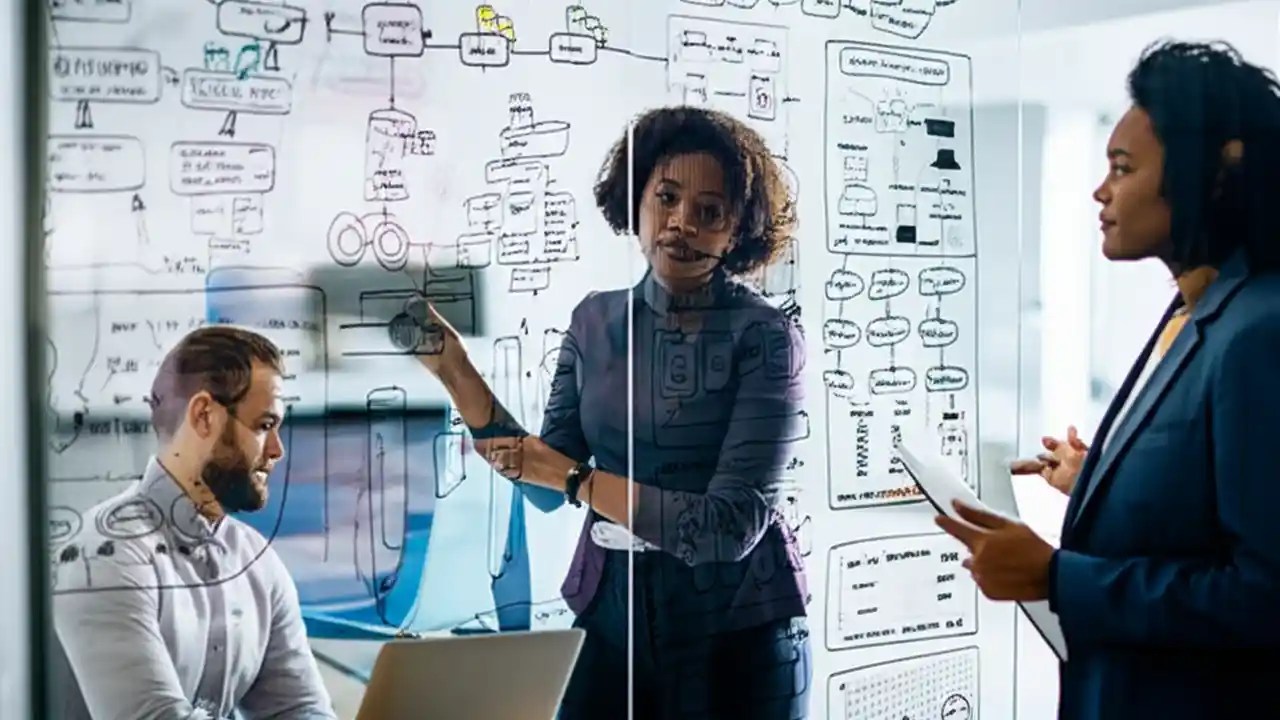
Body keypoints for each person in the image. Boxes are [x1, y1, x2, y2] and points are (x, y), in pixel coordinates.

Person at [415, 105, 812, 719]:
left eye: (709, 213)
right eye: (668, 198)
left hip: (736, 631)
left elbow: (726, 527)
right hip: (612, 613)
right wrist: (456, 373)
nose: (681, 224)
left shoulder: (766, 336)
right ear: (638, 201)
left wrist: (576, 480)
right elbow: (544, 484)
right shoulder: (596, 320)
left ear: (735, 233)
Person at [935, 39, 1280, 719]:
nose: (1101, 190)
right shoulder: (1195, 307)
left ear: (1213, 174)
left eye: (1122, 167)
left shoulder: (1260, 331)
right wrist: (1101, 478)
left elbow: (1265, 594)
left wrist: (1058, 578)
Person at [51, 326, 337, 719]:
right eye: (264, 425)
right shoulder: (103, 556)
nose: (277, 450)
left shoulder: (257, 562)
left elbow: (301, 709)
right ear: (204, 416)